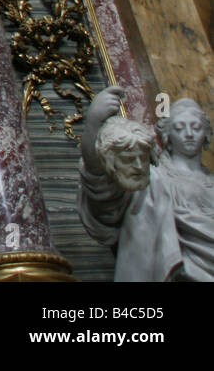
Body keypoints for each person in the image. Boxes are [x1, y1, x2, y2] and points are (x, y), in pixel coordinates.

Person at [78, 86, 214, 281]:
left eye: (196, 127)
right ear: (166, 135)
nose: (189, 134)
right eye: (180, 127)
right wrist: (93, 124)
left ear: (207, 135)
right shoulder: (151, 177)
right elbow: (102, 186)